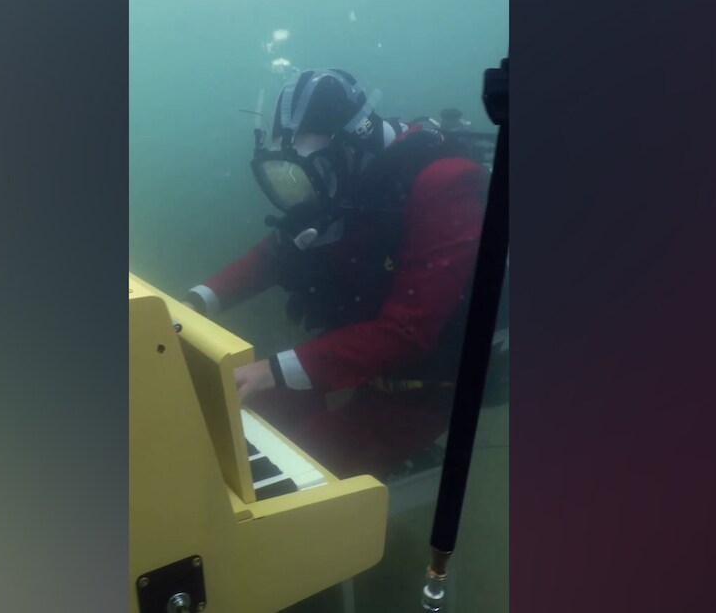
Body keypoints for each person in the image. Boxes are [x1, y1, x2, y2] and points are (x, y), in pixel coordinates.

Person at [183, 68, 490, 481]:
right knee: (221, 429)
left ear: (352, 143)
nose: (301, 193)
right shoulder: (340, 176)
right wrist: (193, 303)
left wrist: (272, 370)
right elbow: (275, 255)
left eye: (309, 172)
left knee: (269, 478)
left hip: (427, 384)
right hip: (354, 360)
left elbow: (409, 331)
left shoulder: (442, 181)